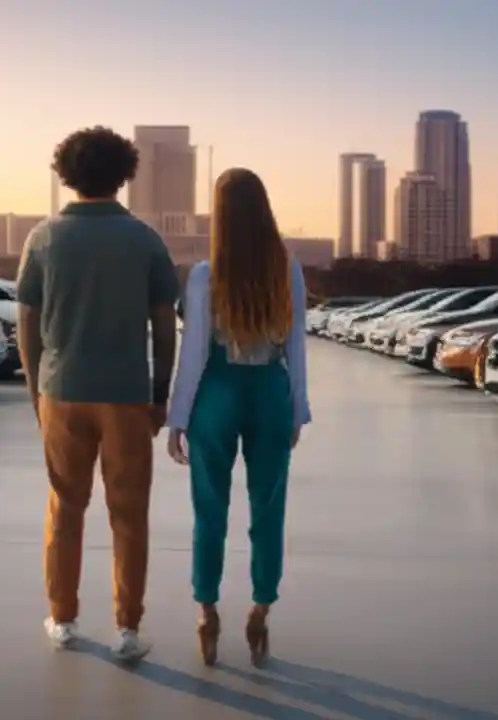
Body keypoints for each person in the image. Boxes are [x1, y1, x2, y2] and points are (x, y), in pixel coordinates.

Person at [16, 126, 179, 663]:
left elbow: (27, 324)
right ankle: (128, 628)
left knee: (66, 507)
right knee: (128, 513)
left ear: (66, 174)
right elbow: (163, 328)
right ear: (124, 174)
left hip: (61, 390)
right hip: (127, 394)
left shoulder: (42, 238)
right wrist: (160, 394)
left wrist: (36, 390)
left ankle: (63, 618)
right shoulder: (146, 241)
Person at [166, 168, 310, 667]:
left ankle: (206, 610)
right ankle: (261, 608)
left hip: (218, 391)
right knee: (268, 510)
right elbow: (297, 345)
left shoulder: (206, 274)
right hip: (270, 388)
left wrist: (178, 417)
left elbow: (194, 353)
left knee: (209, 510)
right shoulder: (287, 269)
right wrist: (297, 409)